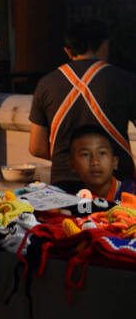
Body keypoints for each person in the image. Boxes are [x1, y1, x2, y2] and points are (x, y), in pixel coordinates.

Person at [29, 19, 136, 185]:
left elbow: (36, 147)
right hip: (116, 185)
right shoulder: (126, 81)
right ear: (105, 46)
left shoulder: (46, 84)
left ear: (67, 50)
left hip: (65, 186)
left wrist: (78, 158)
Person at [59, 124, 136, 201]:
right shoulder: (71, 199)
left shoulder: (131, 193)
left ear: (114, 162)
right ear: (72, 164)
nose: (95, 162)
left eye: (102, 153)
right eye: (85, 154)